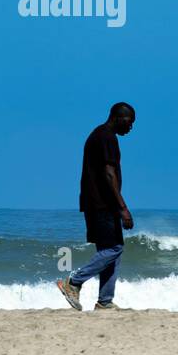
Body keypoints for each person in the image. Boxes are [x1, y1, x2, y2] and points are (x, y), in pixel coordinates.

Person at [57, 103, 136, 311]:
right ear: (119, 117)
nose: (131, 127)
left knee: (111, 249)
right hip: (102, 204)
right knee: (114, 248)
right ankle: (73, 282)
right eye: (130, 122)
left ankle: (105, 301)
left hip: (97, 203)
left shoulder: (99, 135)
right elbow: (109, 174)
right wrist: (123, 207)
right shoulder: (106, 137)